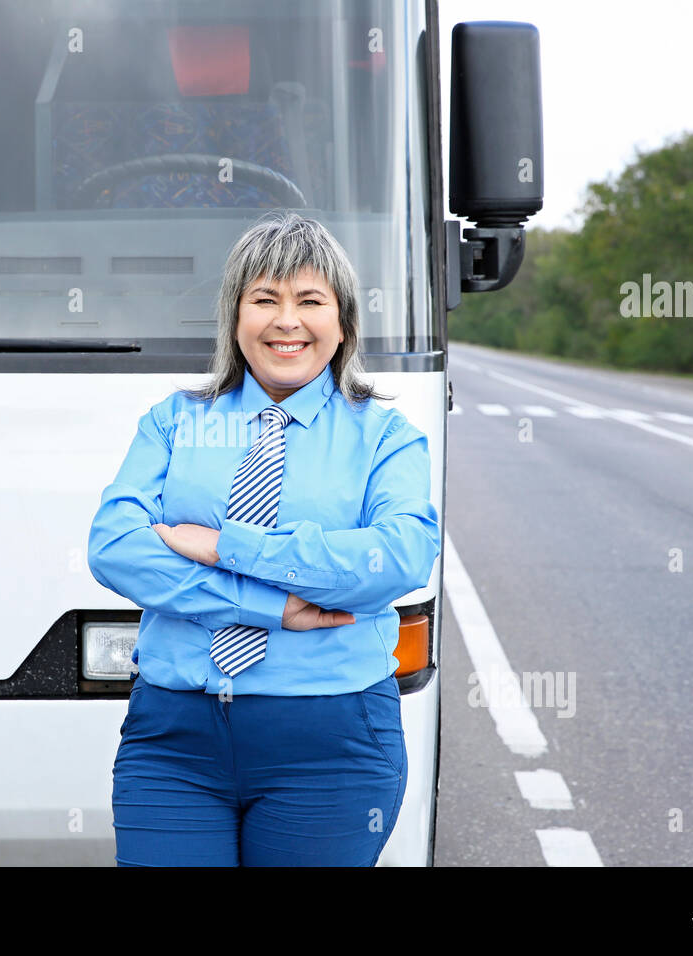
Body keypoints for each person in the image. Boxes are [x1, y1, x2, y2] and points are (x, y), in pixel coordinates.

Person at [87, 211, 441, 866]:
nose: (287, 321)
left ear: (342, 322)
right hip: (175, 740)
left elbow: (397, 556)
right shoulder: (174, 421)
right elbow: (114, 546)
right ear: (235, 316)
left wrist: (228, 546)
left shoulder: (387, 438)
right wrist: (269, 608)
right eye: (265, 300)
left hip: (332, 747)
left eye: (310, 300)